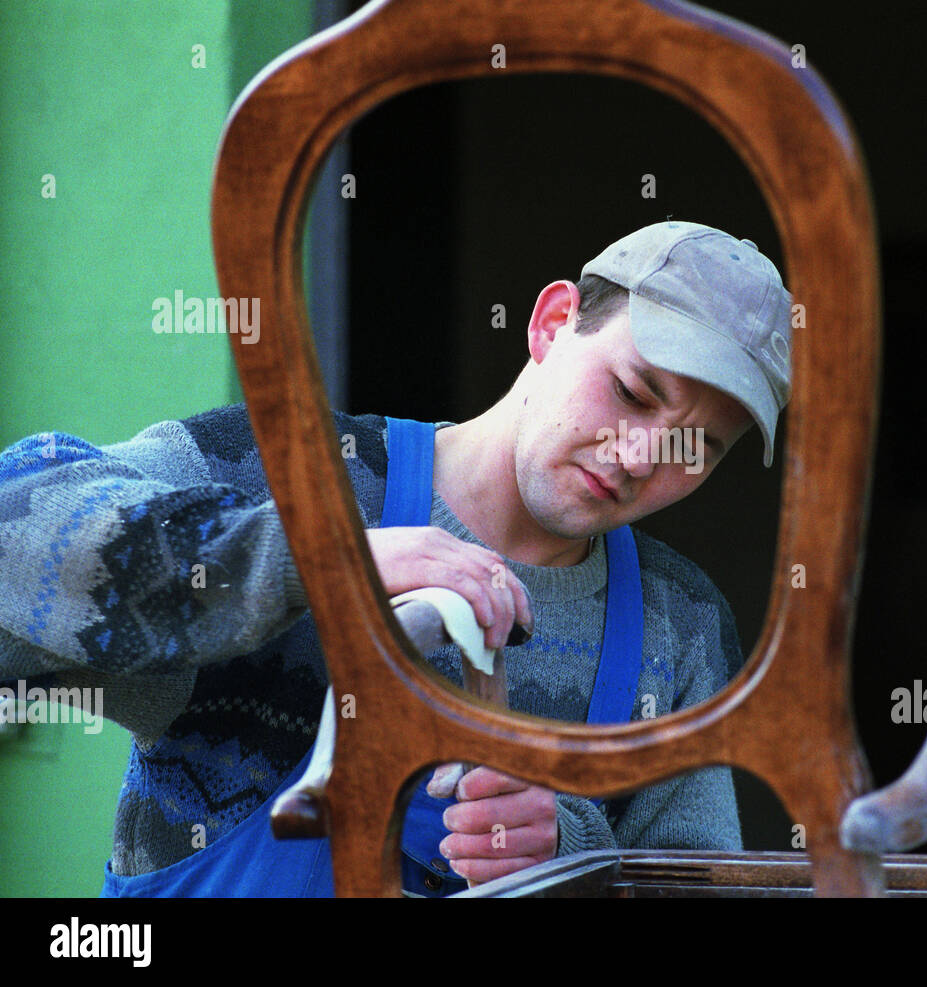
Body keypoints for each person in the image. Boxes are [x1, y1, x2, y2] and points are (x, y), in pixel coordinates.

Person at [0, 220, 793, 897]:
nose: (636, 454)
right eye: (632, 391)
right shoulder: (292, 472)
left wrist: (570, 853)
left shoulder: (678, 626)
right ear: (552, 324)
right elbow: (14, 519)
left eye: (696, 446)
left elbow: (694, 881)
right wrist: (306, 562)